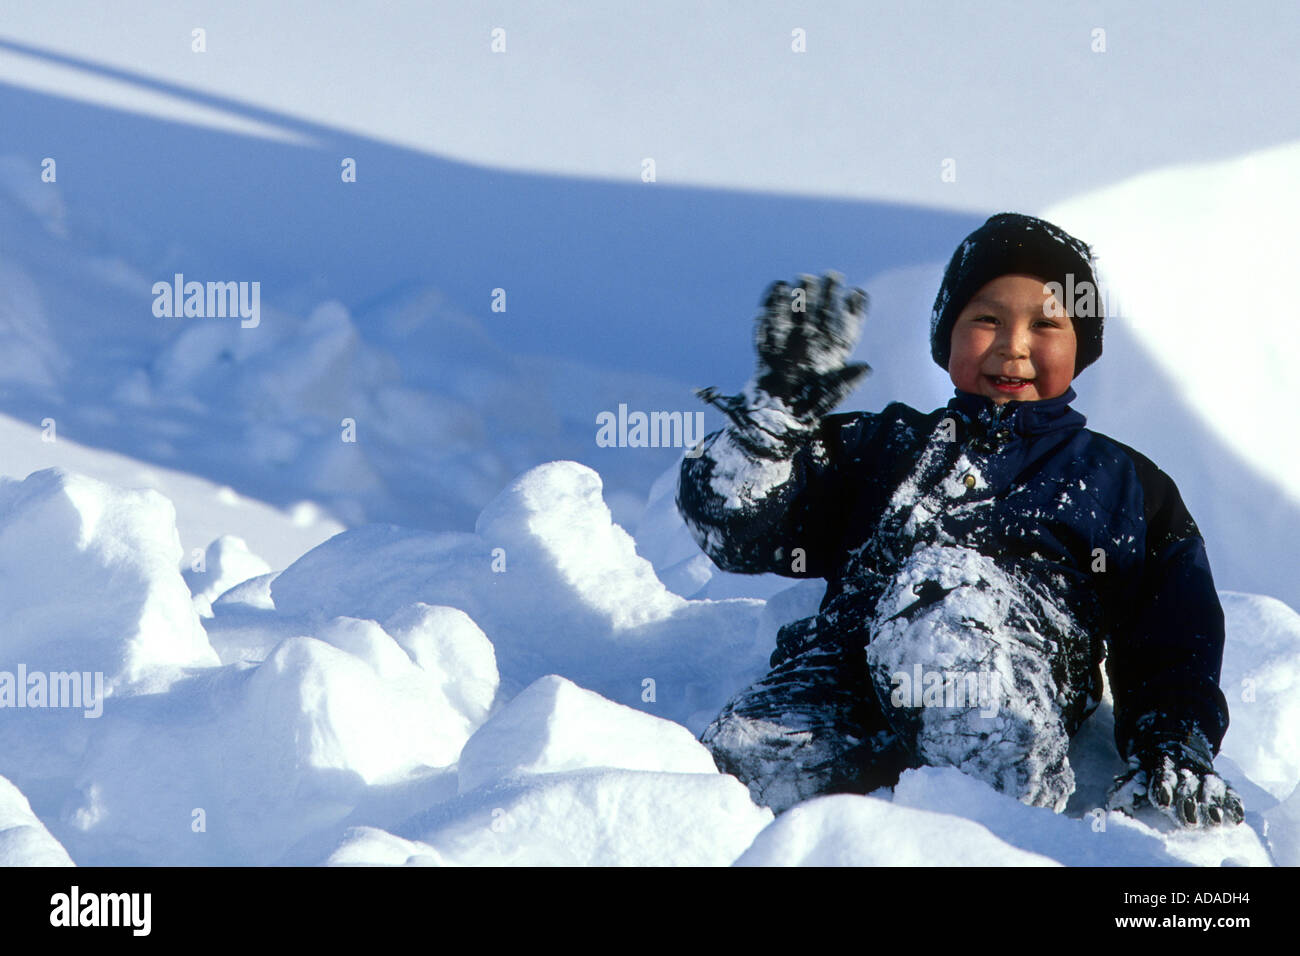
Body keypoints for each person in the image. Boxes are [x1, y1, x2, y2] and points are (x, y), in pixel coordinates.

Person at [677, 212, 1244, 829]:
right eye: (986, 320)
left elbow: (1173, 639)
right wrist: (769, 435)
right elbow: (740, 531)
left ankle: (989, 825)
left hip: (1006, 673)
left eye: (1046, 325)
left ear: (1082, 348)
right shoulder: (881, 447)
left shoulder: (1122, 483)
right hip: (841, 668)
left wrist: (1173, 741)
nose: (1013, 346)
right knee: (737, 783)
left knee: (939, 596)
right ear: (947, 338)